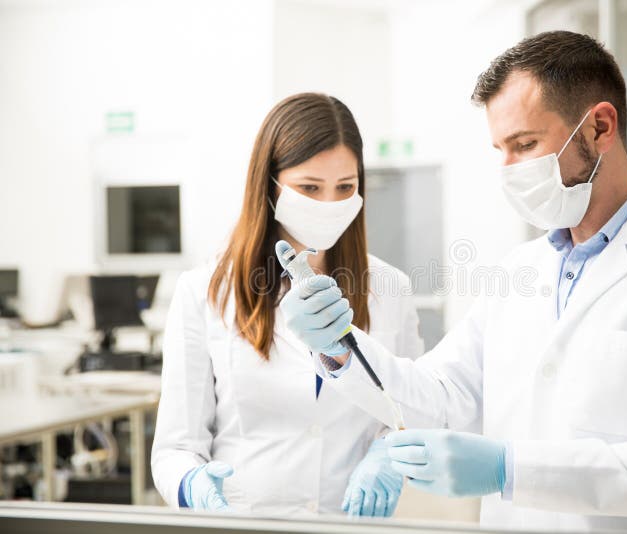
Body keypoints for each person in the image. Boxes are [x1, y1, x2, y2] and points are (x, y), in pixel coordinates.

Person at [278, 32, 627, 532]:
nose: (509, 169)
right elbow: (441, 396)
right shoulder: (519, 270)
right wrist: (340, 350)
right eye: (501, 149)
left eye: (525, 144)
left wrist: (509, 470)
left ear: (600, 126)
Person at [151, 93, 424, 517]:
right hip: (244, 520)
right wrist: (193, 484)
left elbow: (412, 410)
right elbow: (174, 448)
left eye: (345, 187)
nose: (329, 204)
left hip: (349, 522)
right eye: (309, 187)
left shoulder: (389, 288)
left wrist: (388, 454)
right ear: (270, 184)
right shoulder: (203, 291)